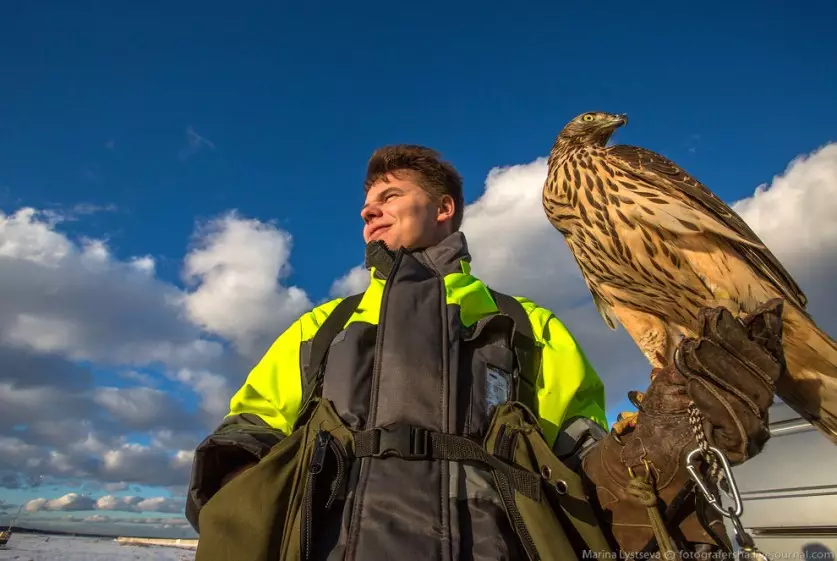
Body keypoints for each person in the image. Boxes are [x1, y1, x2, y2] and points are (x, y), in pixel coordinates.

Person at [185, 145, 785, 561]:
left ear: (443, 209)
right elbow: (249, 434)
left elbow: (588, 471)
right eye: (368, 202)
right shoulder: (323, 327)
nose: (368, 210)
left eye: (390, 196)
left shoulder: (528, 326)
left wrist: (666, 450)